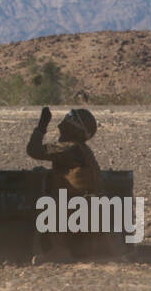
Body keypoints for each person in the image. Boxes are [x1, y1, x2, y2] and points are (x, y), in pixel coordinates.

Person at [26, 106, 102, 259]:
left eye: (67, 121)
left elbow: (33, 150)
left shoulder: (69, 148)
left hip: (78, 208)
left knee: (48, 204)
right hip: (89, 207)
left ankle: (59, 249)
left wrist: (41, 126)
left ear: (74, 129)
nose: (61, 125)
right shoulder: (82, 149)